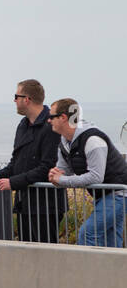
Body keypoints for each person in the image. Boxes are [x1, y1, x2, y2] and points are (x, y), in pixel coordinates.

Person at [0, 80, 67, 243]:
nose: (14, 100)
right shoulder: (23, 125)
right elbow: (17, 163)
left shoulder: (51, 126)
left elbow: (47, 167)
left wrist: (12, 182)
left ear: (26, 99)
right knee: (26, 254)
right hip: (25, 203)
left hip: (46, 205)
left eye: (16, 96)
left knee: (45, 254)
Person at [48, 99, 127, 248]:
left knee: (87, 233)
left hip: (119, 194)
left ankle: (88, 271)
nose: (49, 120)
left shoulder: (92, 140)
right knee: (111, 242)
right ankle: (113, 271)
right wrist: (55, 176)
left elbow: (96, 176)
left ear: (63, 117)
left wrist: (61, 180)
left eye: (52, 117)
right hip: (103, 195)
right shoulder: (64, 143)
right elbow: (64, 173)